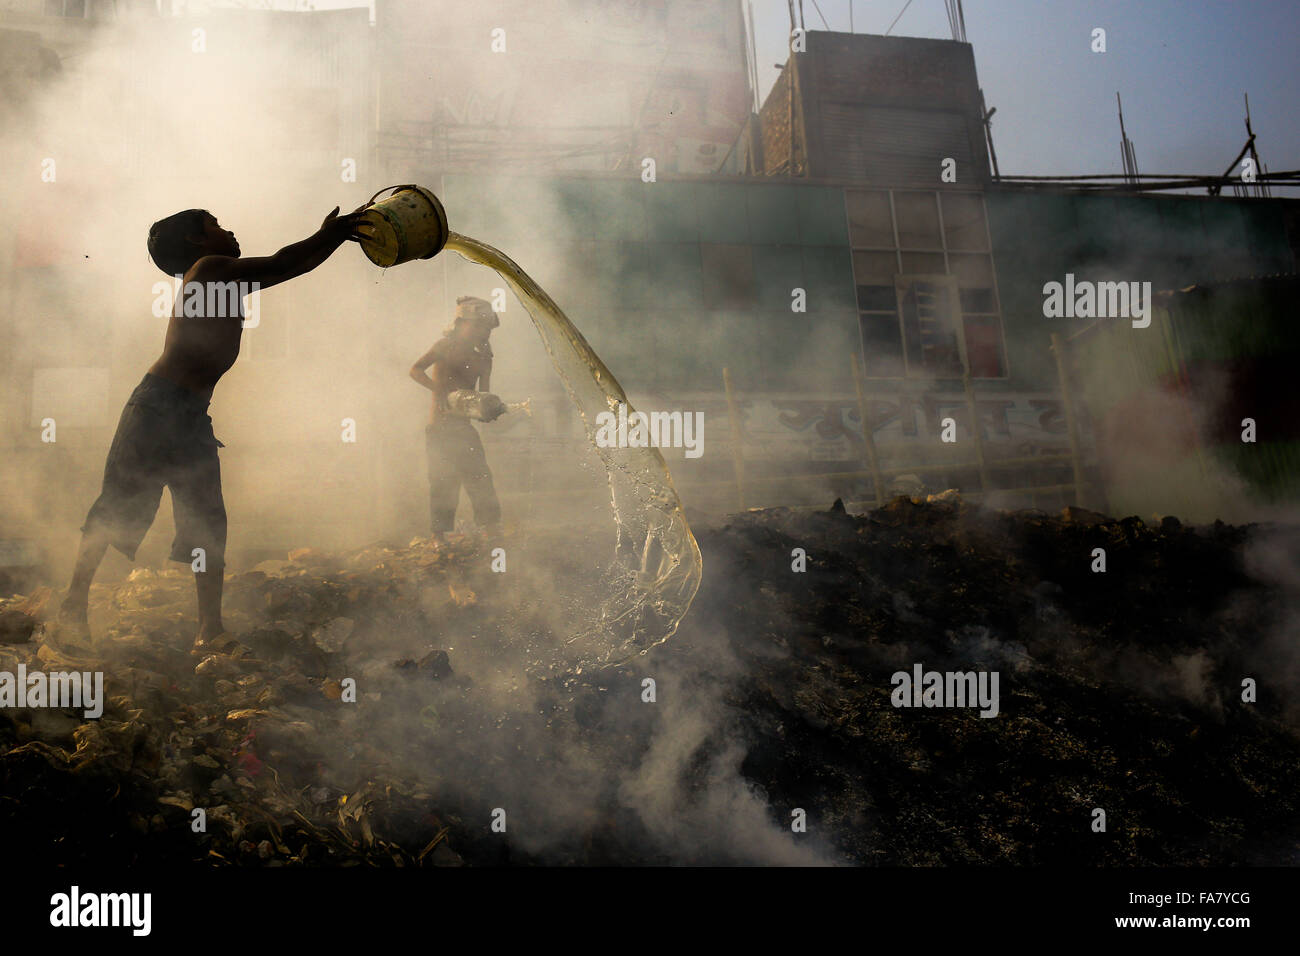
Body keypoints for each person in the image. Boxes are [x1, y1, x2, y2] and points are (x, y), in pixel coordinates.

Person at [56, 204, 369, 655]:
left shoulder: (220, 278)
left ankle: (209, 631)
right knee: (117, 508)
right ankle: (72, 607)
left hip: (188, 414)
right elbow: (284, 263)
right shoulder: (209, 270)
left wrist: (333, 237)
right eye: (217, 225)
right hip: (157, 407)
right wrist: (333, 234)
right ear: (198, 243)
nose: (229, 230)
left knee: (206, 522)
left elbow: (287, 267)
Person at [409, 296, 503, 541]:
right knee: (443, 480)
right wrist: (437, 389)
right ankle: (438, 537)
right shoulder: (444, 346)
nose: (484, 333)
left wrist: (488, 411)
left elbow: (483, 394)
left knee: (480, 476)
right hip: (439, 427)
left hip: (463, 427)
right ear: (462, 324)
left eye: (487, 328)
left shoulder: (484, 357)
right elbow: (415, 370)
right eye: (479, 326)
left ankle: (490, 529)